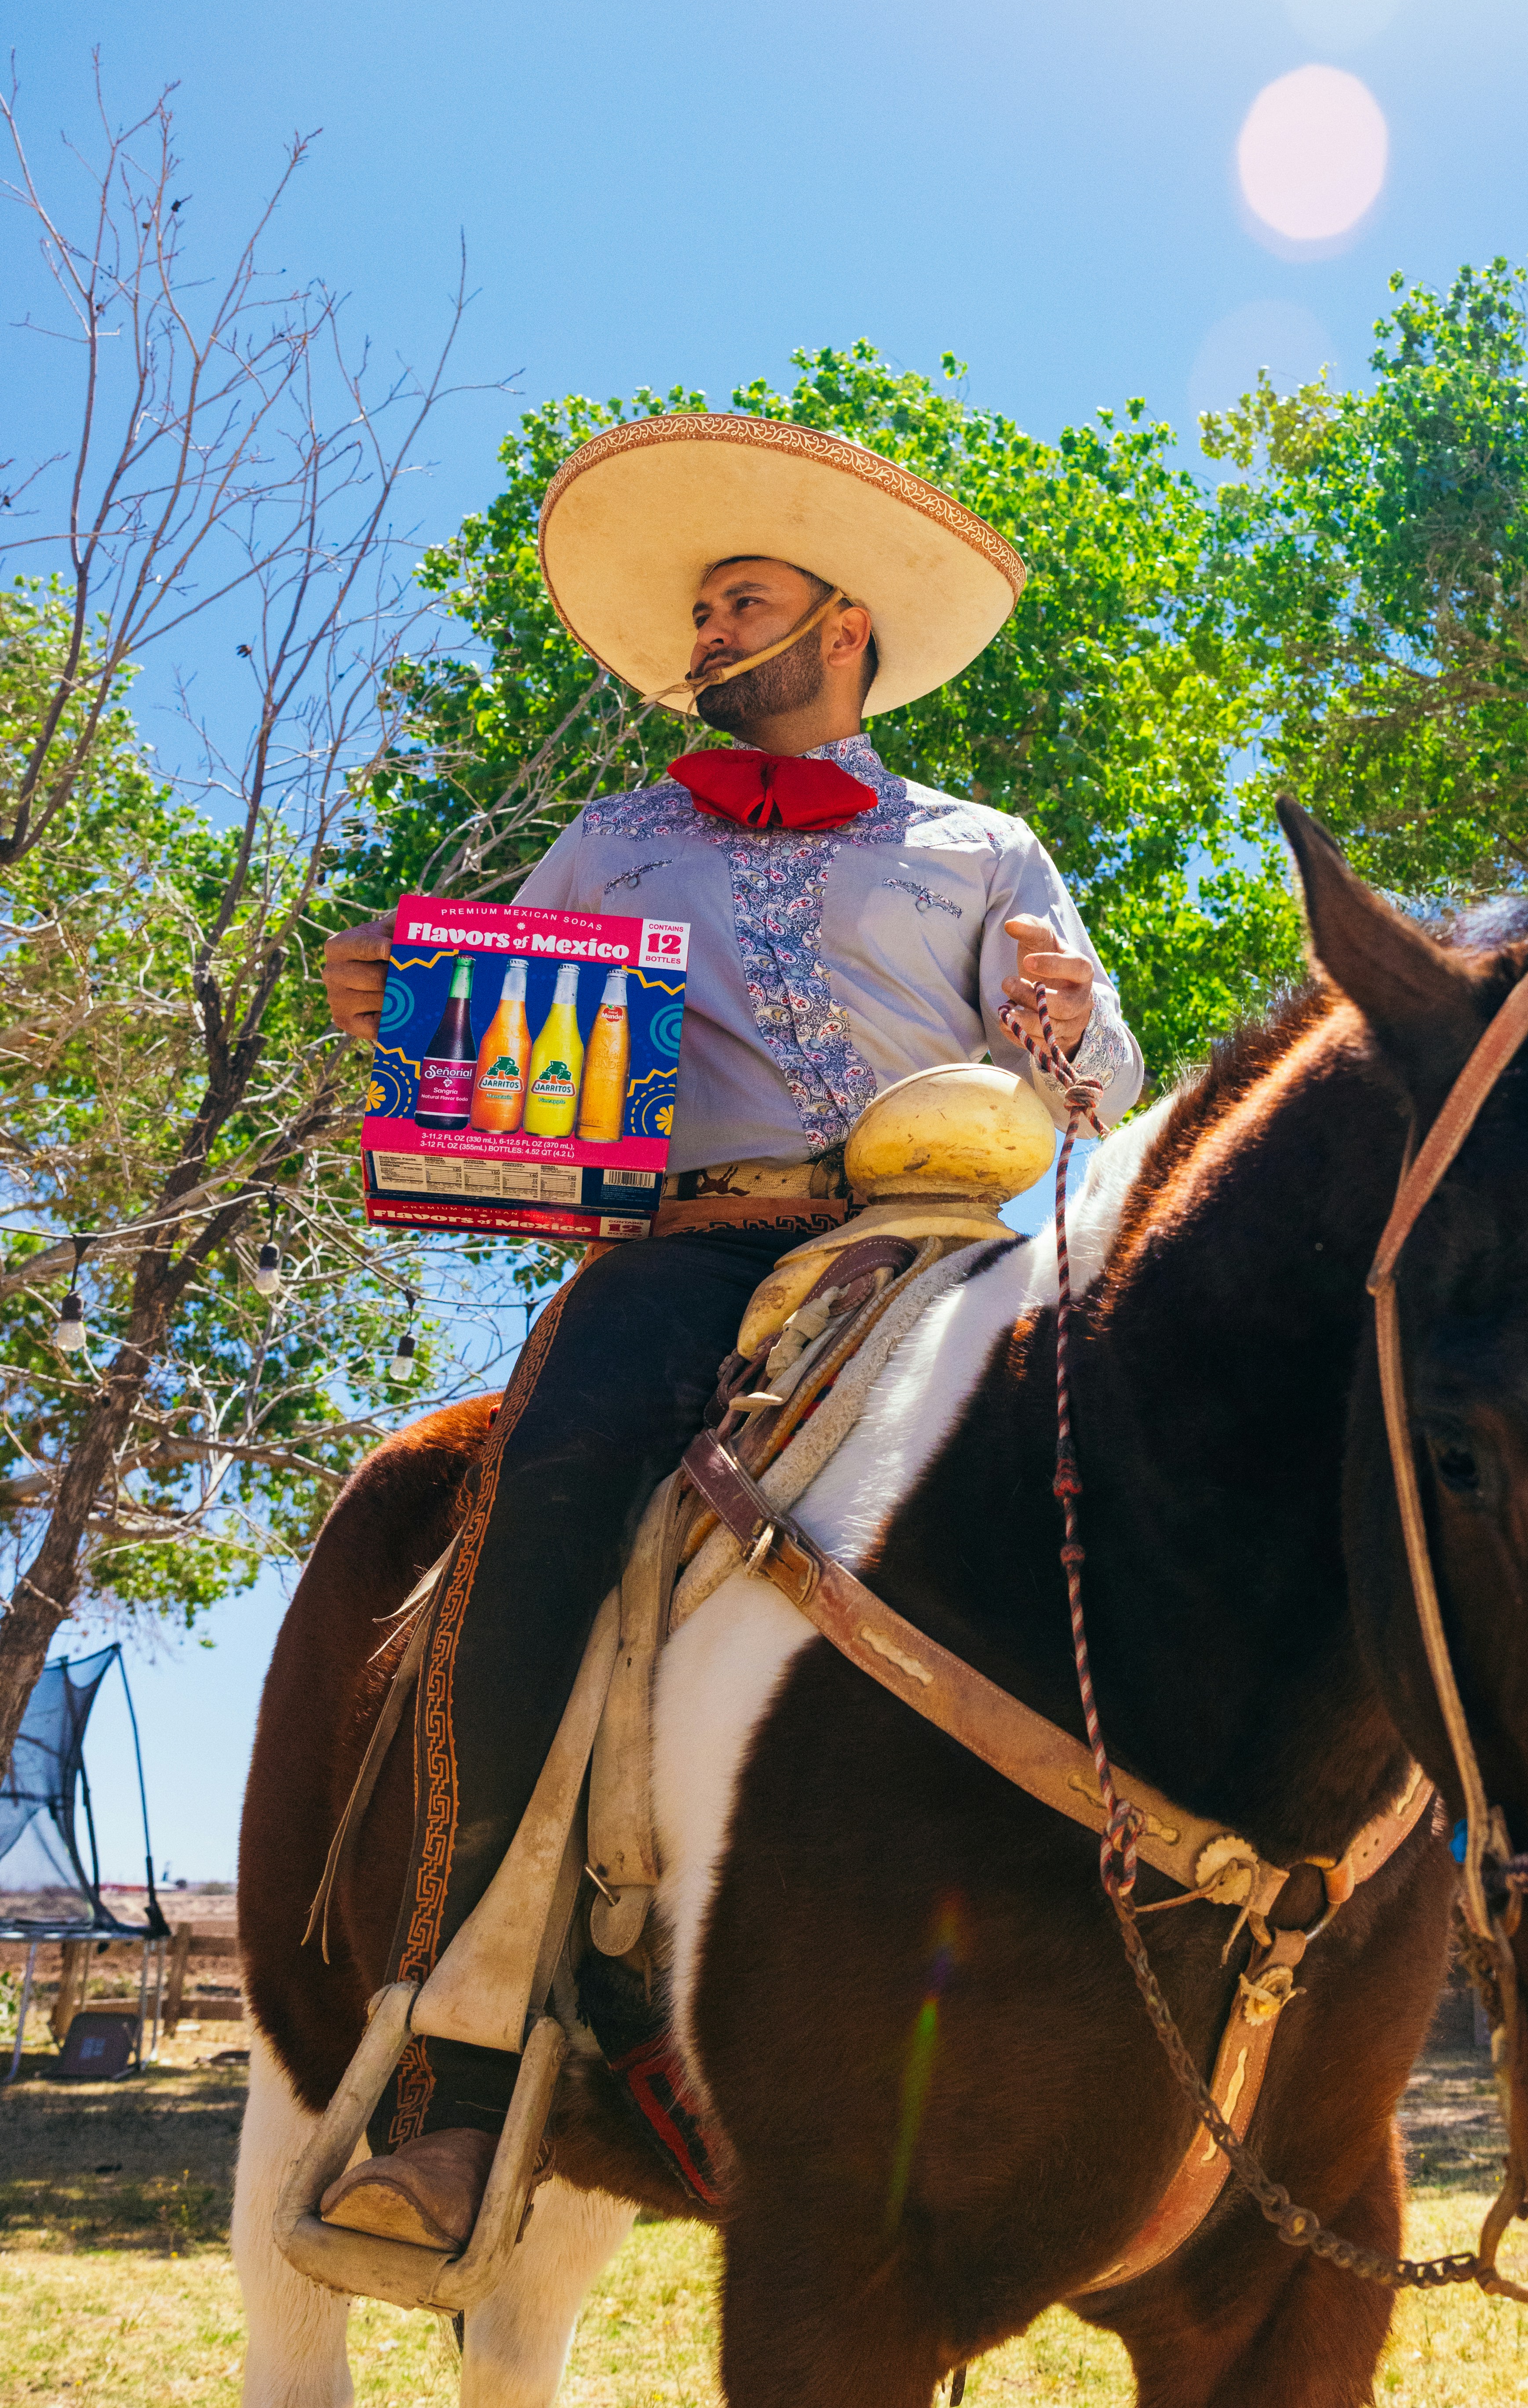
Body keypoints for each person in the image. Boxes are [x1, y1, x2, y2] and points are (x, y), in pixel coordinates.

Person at [314, 412, 1144, 2250]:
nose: (705, 632)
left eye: (741, 597)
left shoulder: (987, 844)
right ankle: (449, 2063)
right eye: (698, 608)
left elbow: (1101, 1086)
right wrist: (405, 1008)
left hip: (944, 1249)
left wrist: (1071, 1023)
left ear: (842, 624)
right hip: (686, 1258)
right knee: (533, 1519)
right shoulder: (608, 840)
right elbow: (486, 1068)